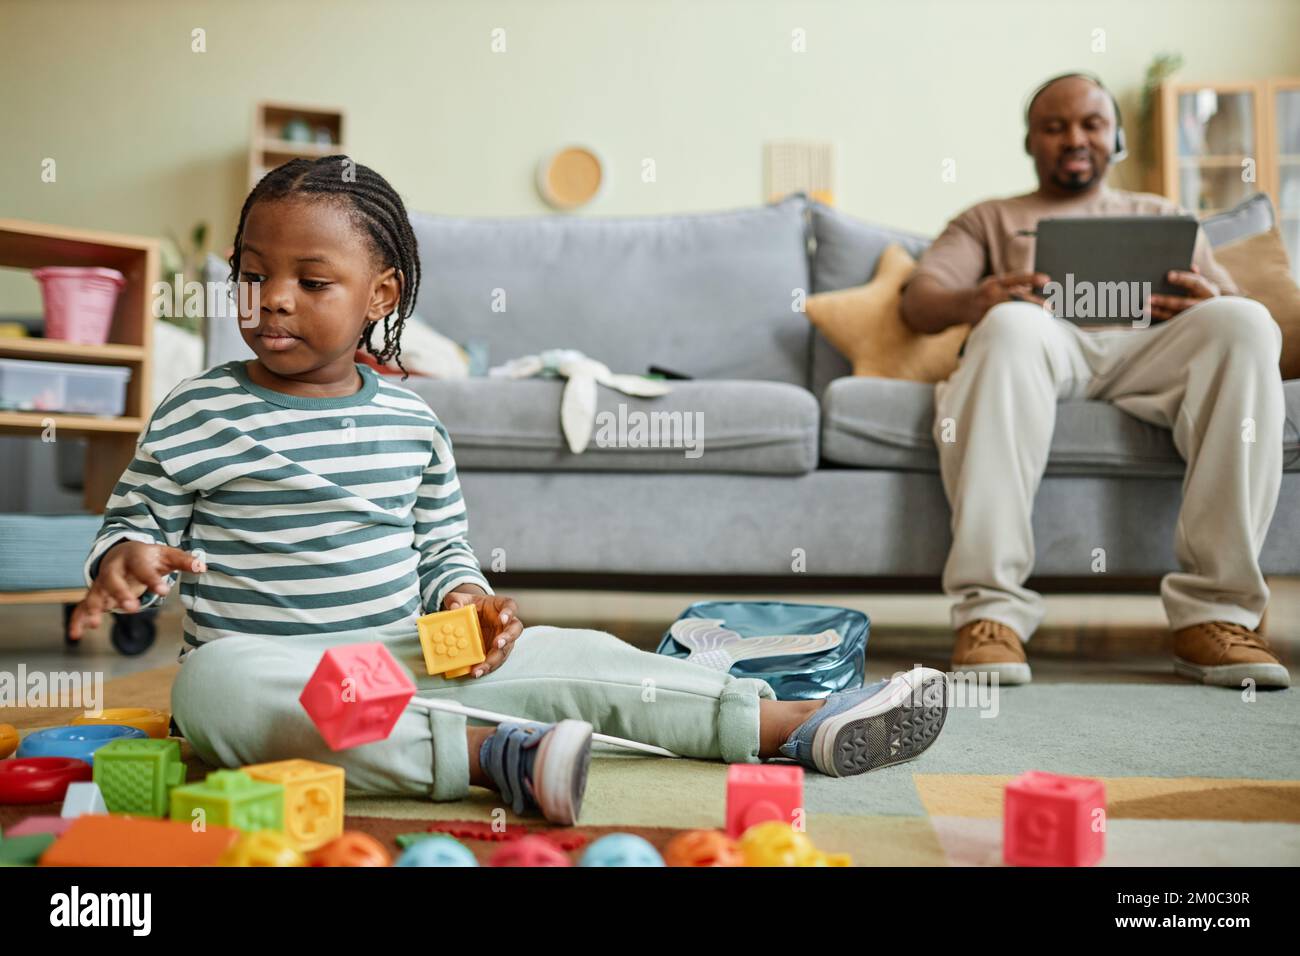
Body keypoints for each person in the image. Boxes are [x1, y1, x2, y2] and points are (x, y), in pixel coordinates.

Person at [70, 156, 949, 825]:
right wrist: (126, 556)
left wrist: (465, 597)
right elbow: (134, 515)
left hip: (404, 652)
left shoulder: (413, 422)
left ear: (382, 295)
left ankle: (783, 724)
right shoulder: (197, 409)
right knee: (209, 696)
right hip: (269, 665)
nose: (273, 301)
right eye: (252, 275)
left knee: (581, 656)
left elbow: (441, 548)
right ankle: (496, 756)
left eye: (311, 281)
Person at [899, 72, 1289, 689]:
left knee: (1244, 323)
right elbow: (919, 302)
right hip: (1044, 347)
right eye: (1054, 127)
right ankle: (990, 613)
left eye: (1091, 124)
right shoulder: (990, 218)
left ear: (1117, 137)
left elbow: (1232, 309)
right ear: (1031, 142)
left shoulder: (1162, 214)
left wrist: (1209, 297)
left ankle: (1216, 614)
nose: (1074, 138)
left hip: (1153, 349)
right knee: (1008, 327)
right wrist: (982, 297)